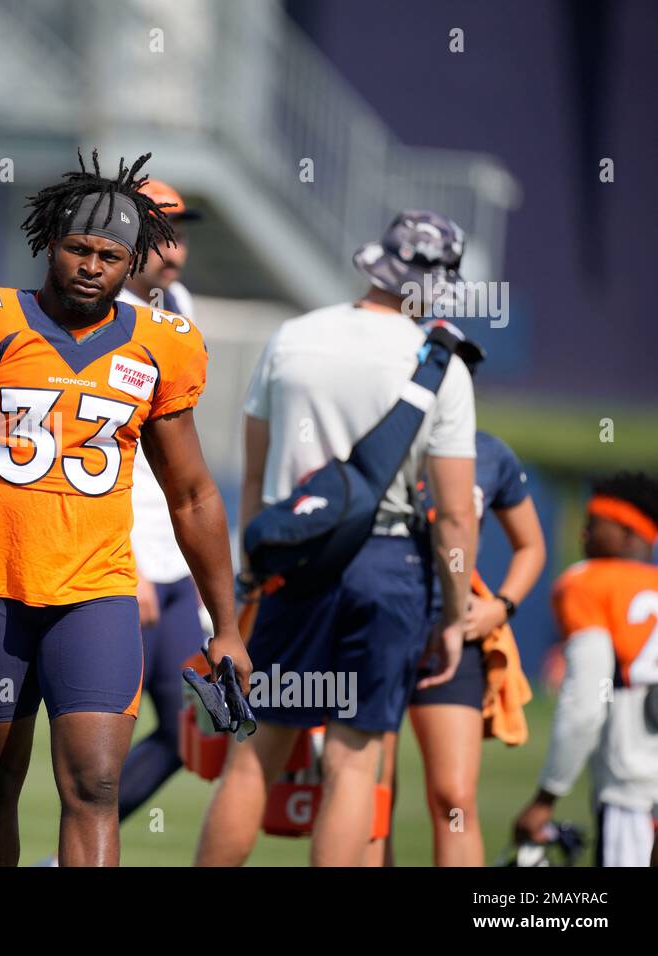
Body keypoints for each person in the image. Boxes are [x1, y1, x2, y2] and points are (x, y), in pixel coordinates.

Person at [0, 150, 249, 867]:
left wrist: (226, 626)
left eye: (109, 256)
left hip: (98, 594)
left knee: (96, 783)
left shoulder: (163, 344)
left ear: (132, 262)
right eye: (78, 248)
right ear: (50, 241)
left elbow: (193, 493)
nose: (91, 266)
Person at [196, 210, 478, 867]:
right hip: (387, 566)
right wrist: (455, 617)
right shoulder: (442, 365)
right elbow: (457, 517)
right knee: (354, 765)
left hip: (295, 564)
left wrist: (248, 574)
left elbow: (262, 484)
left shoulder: (293, 337)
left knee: (252, 759)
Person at [372, 422, 545, 866]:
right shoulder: (375, 434)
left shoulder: (488, 451)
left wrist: (500, 607)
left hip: (453, 631)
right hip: (377, 627)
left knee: (455, 799)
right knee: (373, 792)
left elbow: (531, 546)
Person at [115, 179, 209, 821]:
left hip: (175, 558)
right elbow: (92, 449)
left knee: (188, 728)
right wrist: (127, 558)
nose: (173, 250)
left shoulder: (178, 303)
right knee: (96, 735)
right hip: (122, 561)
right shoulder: (102, 310)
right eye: (159, 233)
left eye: (179, 233)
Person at [514, 471, 658, 867]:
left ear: (630, 533)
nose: (583, 536)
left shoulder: (588, 584)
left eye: (594, 524)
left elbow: (586, 706)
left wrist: (546, 797)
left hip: (633, 793)